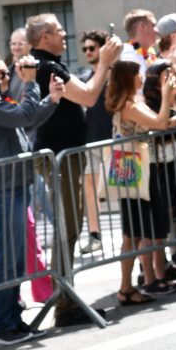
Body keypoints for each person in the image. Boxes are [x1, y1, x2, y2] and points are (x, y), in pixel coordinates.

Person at [0, 44, 64, 346]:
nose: (2, 65)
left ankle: (12, 320)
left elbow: (26, 121)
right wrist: (31, 83)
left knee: (15, 258)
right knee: (5, 260)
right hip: (0, 190)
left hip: (15, 187)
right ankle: (1, 326)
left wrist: (52, 100)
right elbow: (22, 115)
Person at [27, 13, 122, 327]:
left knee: (71, 226)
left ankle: (64, 298)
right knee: (68, 228)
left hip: (63, 155)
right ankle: (64, 303)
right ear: (44, 37)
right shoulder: (47, 66)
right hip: (58, 157)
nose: (64, 33)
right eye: (57, 30)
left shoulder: (47, 64)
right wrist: (105, 61)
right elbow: (90, 96)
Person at [105, 59, 176, 304]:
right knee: (134, 232)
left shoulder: (134, 102)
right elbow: (161, 122)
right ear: (127, 78)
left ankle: (134, 284)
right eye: (137, 74)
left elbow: (157, 125)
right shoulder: (127, 104)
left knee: (142, 229)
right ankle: (129, 286)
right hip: (132, 169)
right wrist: (165, 95)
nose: (141, 78)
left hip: (138, 167)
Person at [78, 29, 114, 255]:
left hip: (115, 138)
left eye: (92, 48)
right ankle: (95, 235)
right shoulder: (83, 77)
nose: (88, 52)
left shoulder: (115, 73)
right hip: (91, 140)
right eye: (85, 49)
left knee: (126, 185)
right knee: (89, 187)